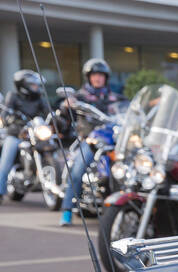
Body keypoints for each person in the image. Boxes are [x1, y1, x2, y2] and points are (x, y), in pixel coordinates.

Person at [59, 58, 121, 226]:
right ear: (88, 77)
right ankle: (66, 211)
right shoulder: (80, 96)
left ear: (106, 77)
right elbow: (65, 112)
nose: (97, 78)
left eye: (101, 75)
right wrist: (67, 104)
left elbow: (127, 110)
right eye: (94, 75)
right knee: (78, 169)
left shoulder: (114, 96)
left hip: (112, 139)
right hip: (91, 140)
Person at [0, 70, 45, 204]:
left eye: (37, 85)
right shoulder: (13, 96)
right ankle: (0, 191)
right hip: (16, 133)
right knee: (5, 162)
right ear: (24, 85)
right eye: (33, 85)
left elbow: (48, 111)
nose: (36, 88)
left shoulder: (40, 99)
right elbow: (5, 113)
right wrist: (10, 118)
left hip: (35, 133)